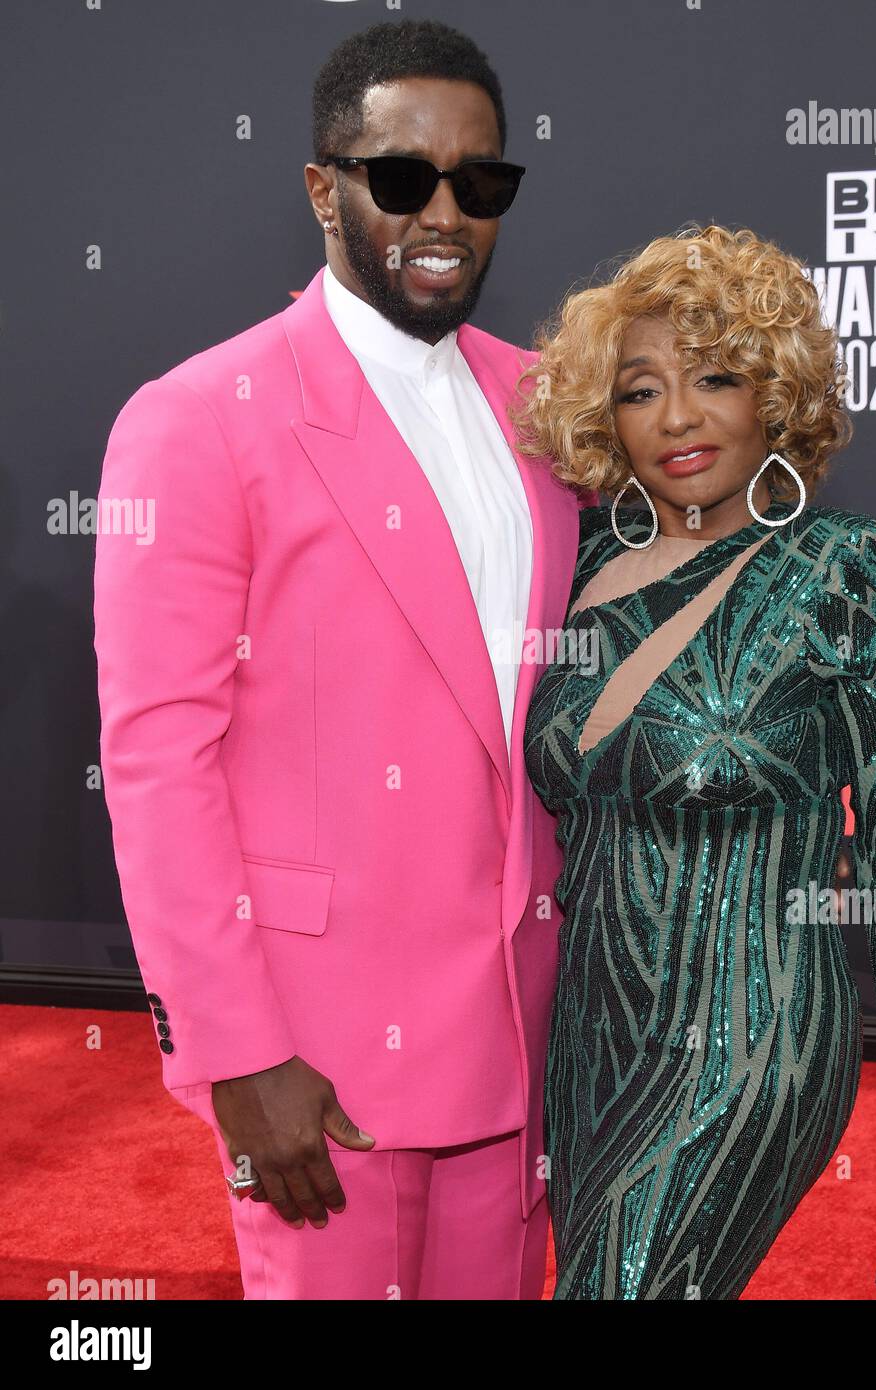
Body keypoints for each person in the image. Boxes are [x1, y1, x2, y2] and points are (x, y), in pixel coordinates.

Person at [93, 20, 584, 1300]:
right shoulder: (198, 420)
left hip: (524, 1041)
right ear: (323, 187)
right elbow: (157, 763)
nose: (445, 212)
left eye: (479, 183)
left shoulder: (550, 407)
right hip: (321, 1059)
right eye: (402, 175)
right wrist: (235, 1051)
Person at [516, 223, 876, 1299]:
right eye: (639, 390)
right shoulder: (576, 561)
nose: (675, 418)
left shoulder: (842, 567)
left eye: (714, 377)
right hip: (589, 1038)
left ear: (773, 394)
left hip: (752, 1040)